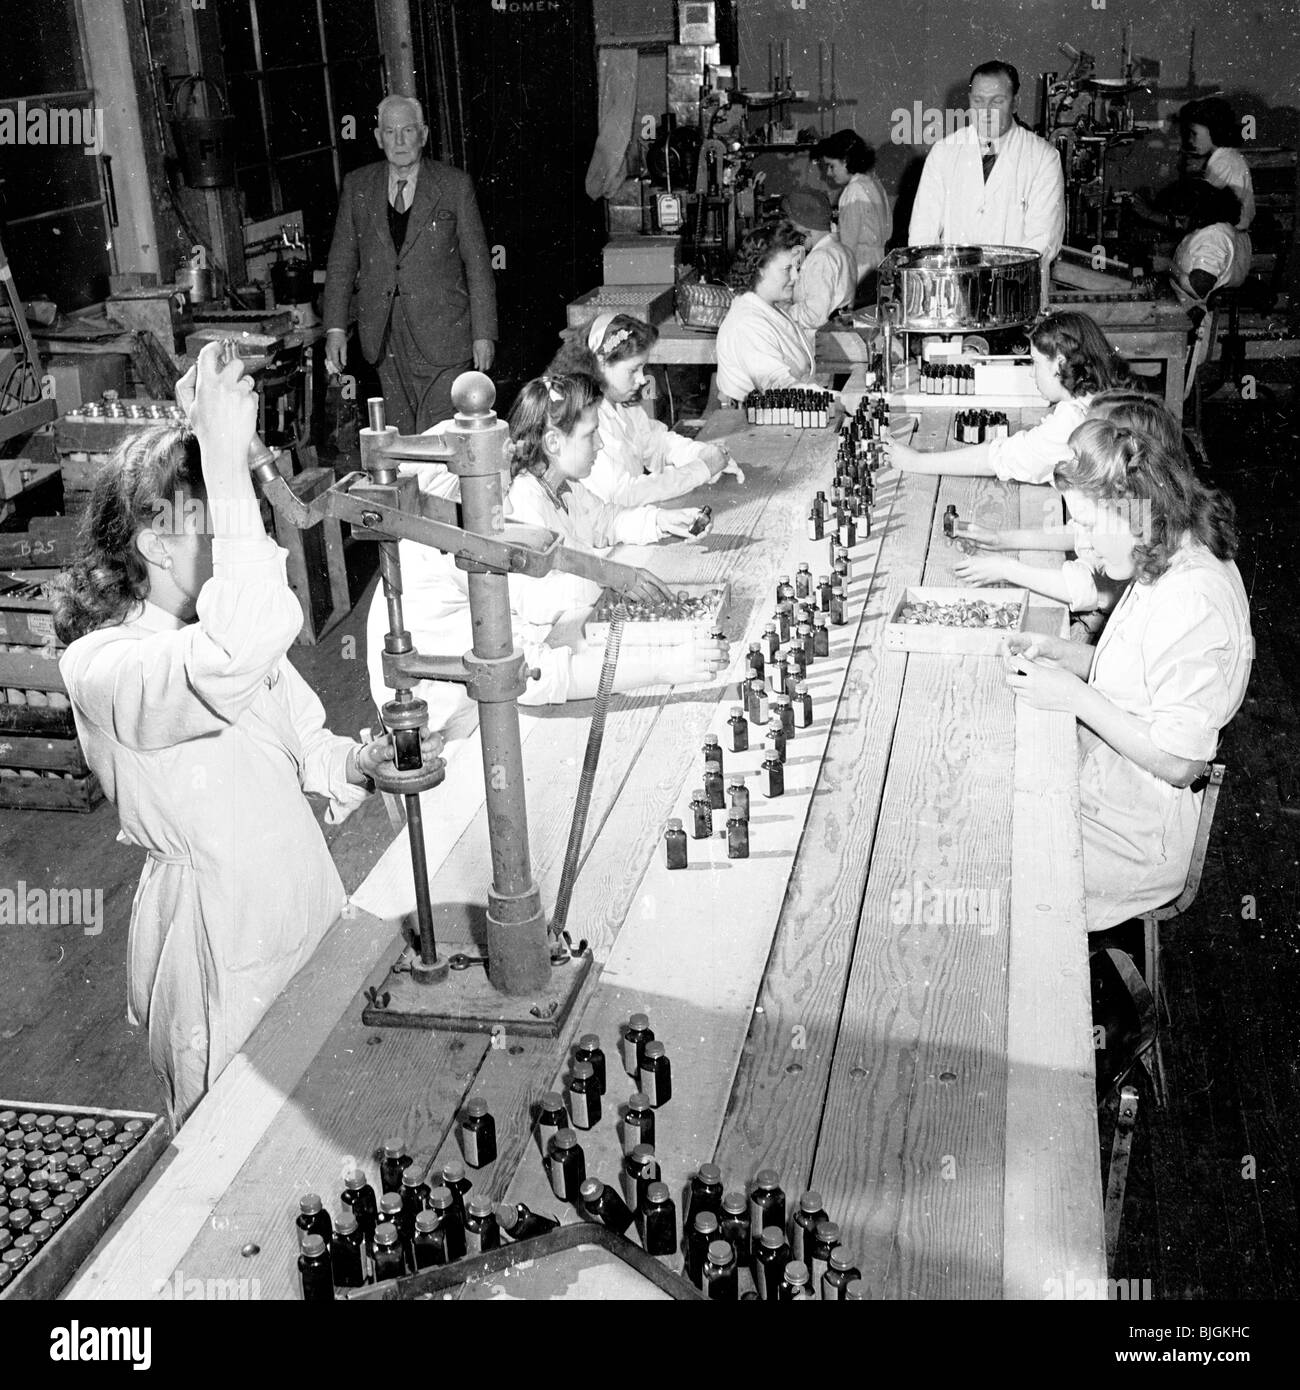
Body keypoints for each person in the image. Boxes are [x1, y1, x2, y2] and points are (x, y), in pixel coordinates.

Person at [52, 343, 433, 1127]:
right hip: (220, 944)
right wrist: (224, 464)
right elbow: (231, 653)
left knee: (342, 1101)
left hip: (302, 901)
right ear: (155, 544)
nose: (233, 547)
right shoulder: (103, 665)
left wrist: (359, 761)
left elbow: (306, 749)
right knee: (252, 1151)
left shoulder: (214, 626)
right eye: (214, 525)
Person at [365, 372, 727, 750]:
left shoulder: (516, 496)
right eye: (591, 434)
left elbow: (599, 521)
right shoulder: (495, 522)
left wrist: (647, 532)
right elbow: (537, 675)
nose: (601, 443)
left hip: (476, 691)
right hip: (443, 727)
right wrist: (662, 667)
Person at [1003, 414, 1252, 933]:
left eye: (1092, 527)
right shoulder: (1166, 550)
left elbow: (1182, 761)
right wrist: (1063, 655)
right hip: (1113, 791)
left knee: (993, 859)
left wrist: (1075, 696)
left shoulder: (1192, 598)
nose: (1086, 547)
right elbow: (1143, 677)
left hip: (1136, 836)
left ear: (1135, 510)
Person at [323, 94, 497, 435]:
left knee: (439, 435)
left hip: (445, 334)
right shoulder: (358, 186)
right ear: (377, 138)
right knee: (398, 438)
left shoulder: (454, 186)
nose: (400, 141)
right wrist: (336, 328)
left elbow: (478, 266)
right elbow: (341, 261)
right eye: (390, 132)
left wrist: (484, 334)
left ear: (424, 135)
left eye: (408, 130)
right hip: (384, 337)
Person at [889, 311, 1130, 481]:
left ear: (1060, 363)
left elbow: (999, 459)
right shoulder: (1102, 399)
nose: (1030, 374)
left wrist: (916, 462)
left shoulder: (1070, 420)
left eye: (1035, 363)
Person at [547, 313, 744, 507]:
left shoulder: (622, 403)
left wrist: (701, 453)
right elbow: (623, 494)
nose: (642, 379)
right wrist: (702, 469)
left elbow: (658, 443)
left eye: (643, 368)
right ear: (601, 363)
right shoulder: (586, 418)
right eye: (633, 370)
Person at [908, 60, 1065, 297]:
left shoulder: (1043, 157)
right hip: (954, 295)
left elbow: (1042, 241)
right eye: (978, 101)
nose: (986, 112)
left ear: (1015, 103)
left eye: (997, 101)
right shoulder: (944, 152)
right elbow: (922, 232)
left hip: (1016, 295)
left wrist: (991, 286)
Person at [716, 221, 822, 404]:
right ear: (760, 269)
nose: (795, 277)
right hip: (751, 424)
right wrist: (840, 399)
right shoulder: (747, 324)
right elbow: (780, 388)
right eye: (787, 270)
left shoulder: (771, 308)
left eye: (797, 269)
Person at [1181, 97, 1254, 273]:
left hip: (1226, 247)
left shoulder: (1225, 162)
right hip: (1226, 242)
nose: (1190, 140)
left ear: (1213, 131)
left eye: (1194, 134)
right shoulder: (1222, 158)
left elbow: (1207, 211)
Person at [813, 129, 891, 290]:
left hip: (859, 268)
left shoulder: (852, 191)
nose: (828, 173)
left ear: (846, 161)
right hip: (879, 265)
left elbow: (847, 245)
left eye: (831, 166)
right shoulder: (874, 184)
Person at [782, 188, 858, 330]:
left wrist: (782, 311)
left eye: (793, 227)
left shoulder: (821, 258)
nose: (792, 234)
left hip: (816, 340)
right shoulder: (842, 250)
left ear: (805, 227)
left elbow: (813, 316)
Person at [1169, 179, 1249, 307]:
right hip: (1188, 304)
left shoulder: (1214, 236)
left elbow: (1197, 289)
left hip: (1201, 313)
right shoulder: (1208, 230)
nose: (1177, 224)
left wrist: (1168, 266)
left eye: (1181, 220)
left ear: (1197, 213)